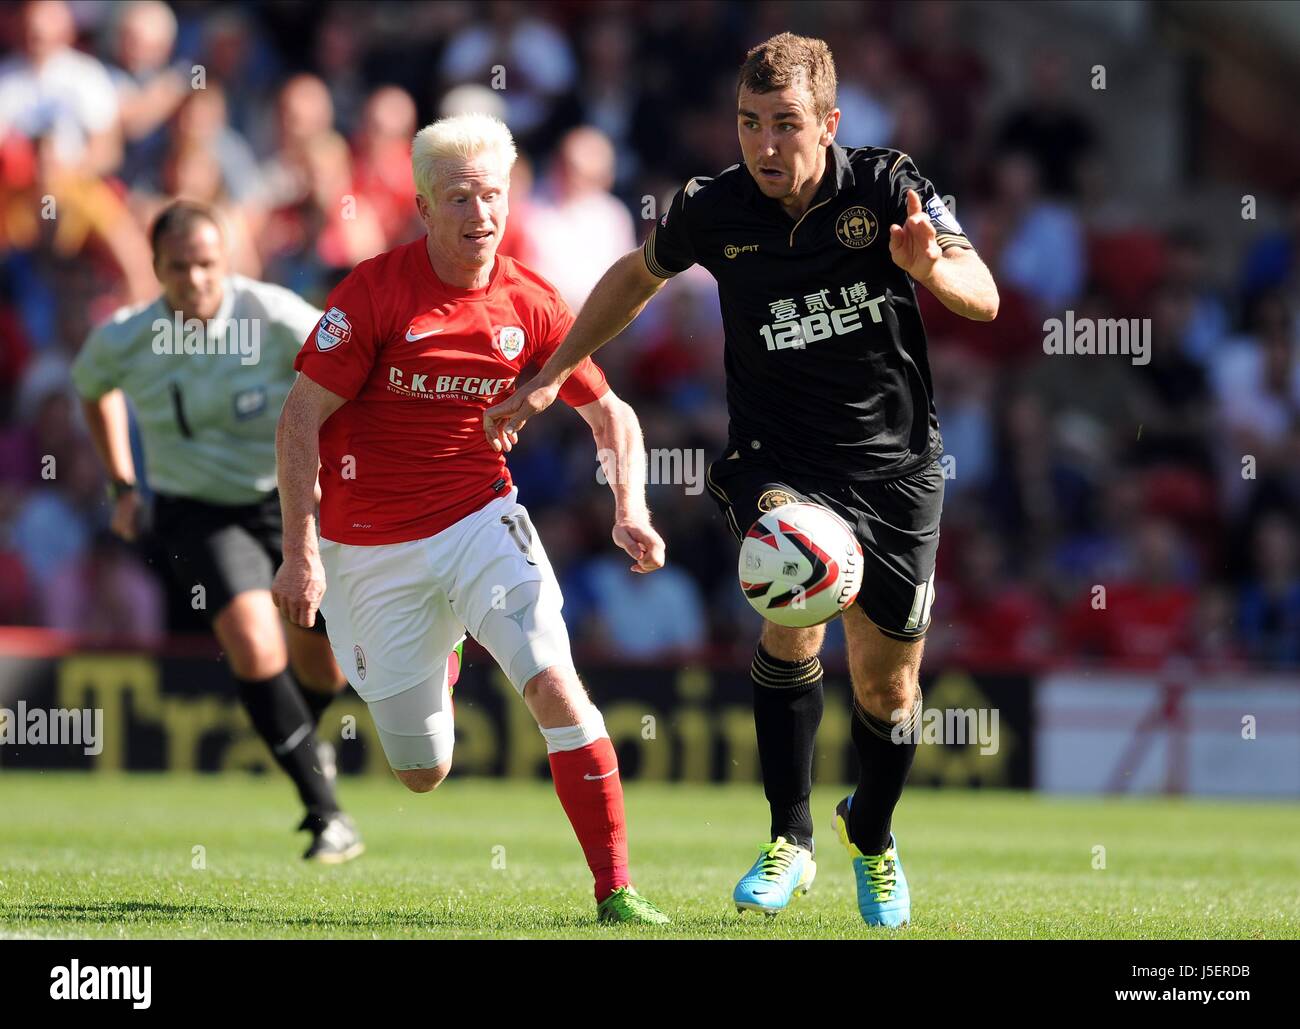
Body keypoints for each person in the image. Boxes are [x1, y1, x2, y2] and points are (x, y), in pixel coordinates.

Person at [485, 33, 1000, 928]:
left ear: (829, 124)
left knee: (888, 689)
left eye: (786, 125)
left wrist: (931, 268)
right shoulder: (713, 207)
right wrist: (553, 370)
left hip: (897, 467)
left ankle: (868, 834)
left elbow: (983, 294)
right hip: (779, 460)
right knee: (794, 594)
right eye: (748, 123)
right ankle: (790, 836)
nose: (764, 144)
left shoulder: (884, 186)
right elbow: (636, 279)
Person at [271, 113, 669, 924]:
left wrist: (631, 506)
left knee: (556, 682)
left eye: (492, 194)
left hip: (479, 517)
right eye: (458, 197)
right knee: (421, 769)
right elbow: (298, 420)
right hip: (367, 546)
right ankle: (446, 650)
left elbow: (613, 415)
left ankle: (616, 890)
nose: (479, 213)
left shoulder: (533, 300)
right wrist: (299, 552)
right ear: (422, 208)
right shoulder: (374, 292)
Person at [71, 200, 363, 862]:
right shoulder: (125, 337)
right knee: (256, 646)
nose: (195, 280)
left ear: (225, 262)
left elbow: (350, 372)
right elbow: (93, 389)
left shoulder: (274, 315)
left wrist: (336, 467)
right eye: (179, 267)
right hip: (193, 510)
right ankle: (327, 813)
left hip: (286, 502)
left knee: (327, 664)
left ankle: (301, 745)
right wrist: (122, 482)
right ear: (155, 269)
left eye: (206, 264)